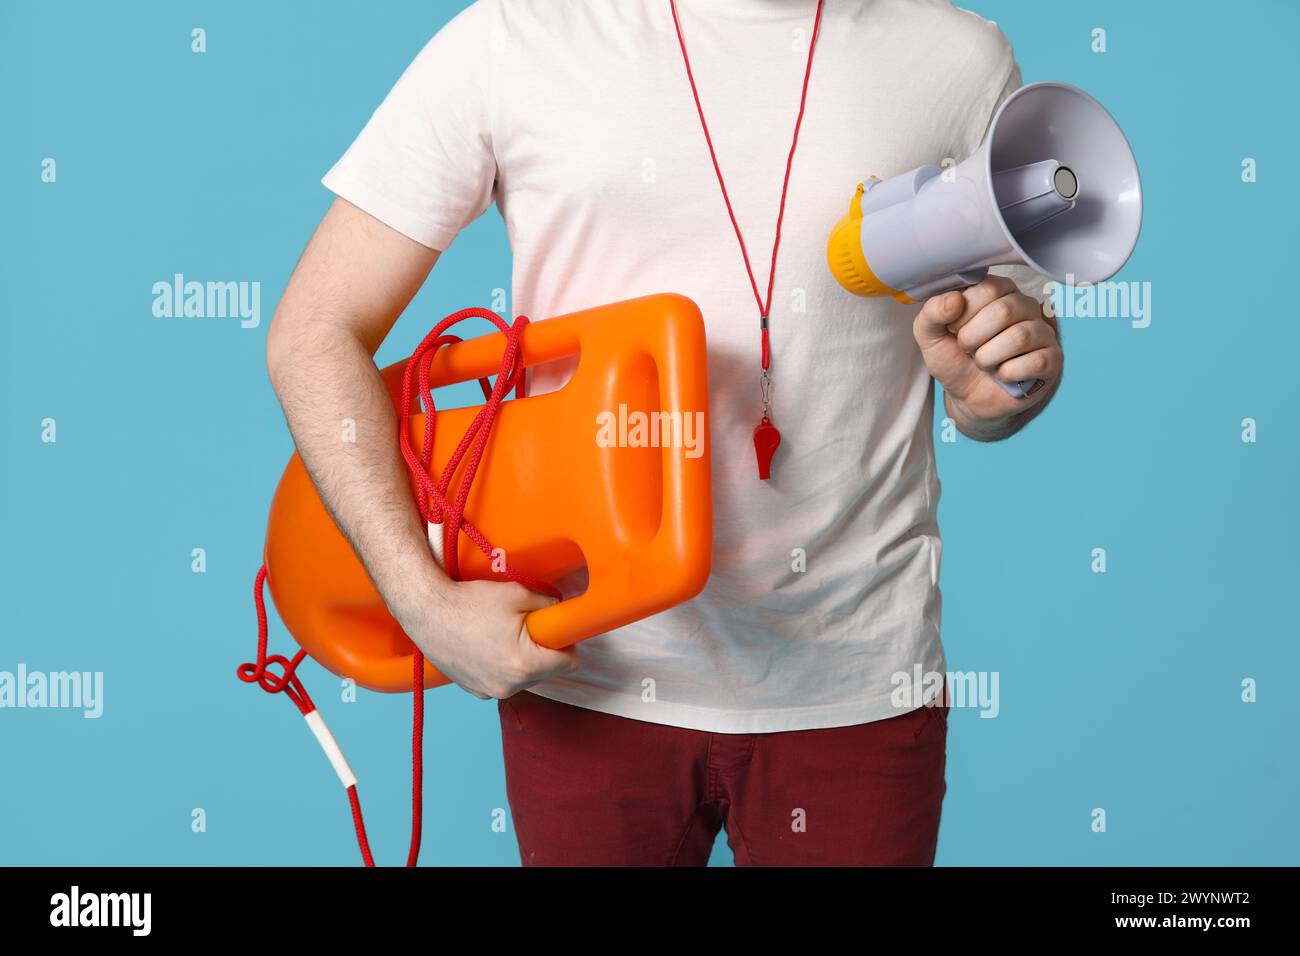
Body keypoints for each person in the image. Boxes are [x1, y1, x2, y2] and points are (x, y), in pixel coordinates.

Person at [266, 0, 1062, 866]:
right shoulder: (513, 35)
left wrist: (1001, 392)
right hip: (585, 678)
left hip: (860, 687)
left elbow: (1004, 374)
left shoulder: (960, 57)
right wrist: (423, 606)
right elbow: (313, 332)